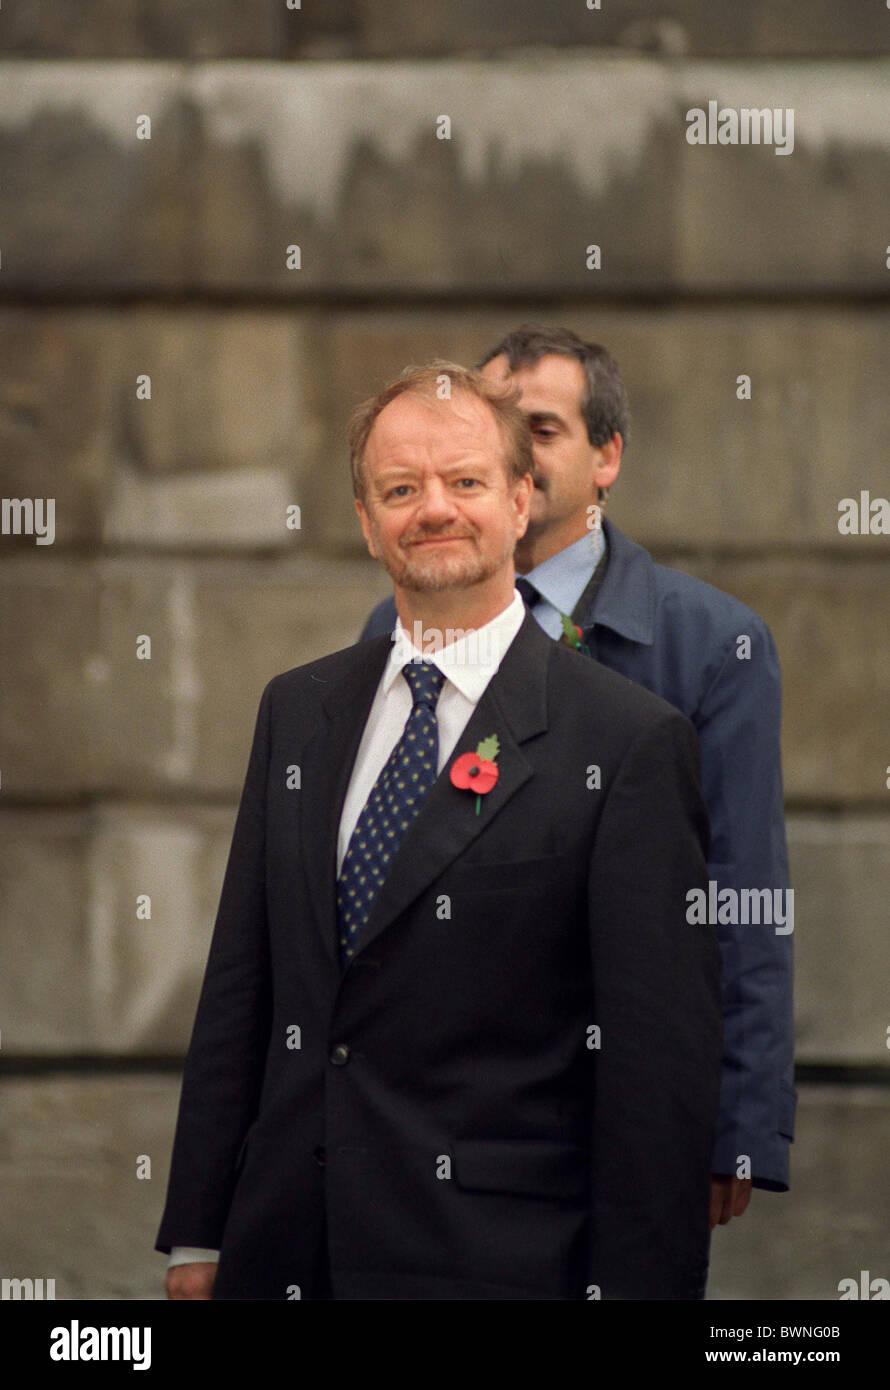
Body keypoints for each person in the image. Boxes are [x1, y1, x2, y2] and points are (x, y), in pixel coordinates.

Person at [157, 363, 722, 1300]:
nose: (434, 510)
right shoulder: (298, 711)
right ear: (365, 520)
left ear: (520, 501)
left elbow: (655, 1074)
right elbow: (242, 987)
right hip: (285, 1255)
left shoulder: (626, 743)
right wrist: (196, 1235)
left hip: (497, 1263)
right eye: (400, 489)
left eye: (465, 482)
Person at [361, 327, 796, 1231]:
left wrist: (737, 1126)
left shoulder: (711, 644)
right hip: (421, 1108)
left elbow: (744, 893)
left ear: (608, 458)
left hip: (614, 1096)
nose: (517, 449)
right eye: (498, 428)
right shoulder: (393, 623)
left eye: (544, 429)